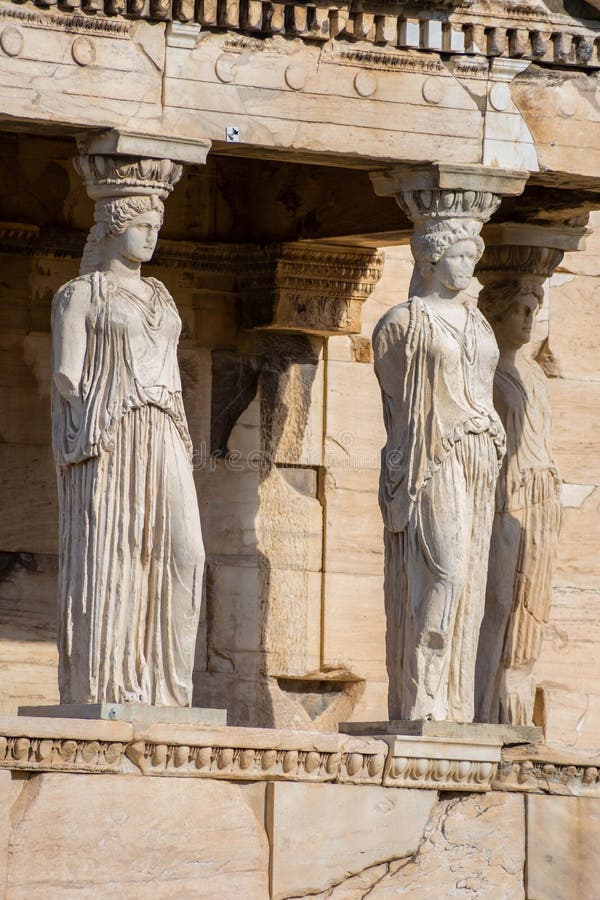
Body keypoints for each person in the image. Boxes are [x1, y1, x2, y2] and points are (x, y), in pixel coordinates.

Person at [52, 191, 204, 707]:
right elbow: (67, 377)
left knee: (185, 553)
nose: (152, 234)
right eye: (142, 224)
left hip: (165, 430)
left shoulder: (162, 294)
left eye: (156, 225)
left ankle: (166, 687)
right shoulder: (81, 294)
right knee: (117, 552)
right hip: (111, 432)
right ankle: (111, 684)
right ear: (114, 228)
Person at [373, 217, 505, 722]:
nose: (468, 268)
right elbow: (394, 399)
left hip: (480, 454)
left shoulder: (479, 321)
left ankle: (450, 703)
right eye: (459, 256)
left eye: (473, 258)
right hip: (432, 456)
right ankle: (420, 694)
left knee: (469, 578)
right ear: (431, 258)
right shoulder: (403, 322)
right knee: (444, 571)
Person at [475, 277, 561, 724]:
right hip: (503, 492)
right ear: (496, 312)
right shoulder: (484, 369)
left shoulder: (533, 373)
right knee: (497, 598)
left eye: (533, 309)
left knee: (533, 599)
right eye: (520, 310)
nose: (529, 319)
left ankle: (514, 693)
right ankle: (484, 702)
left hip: (542, 493)